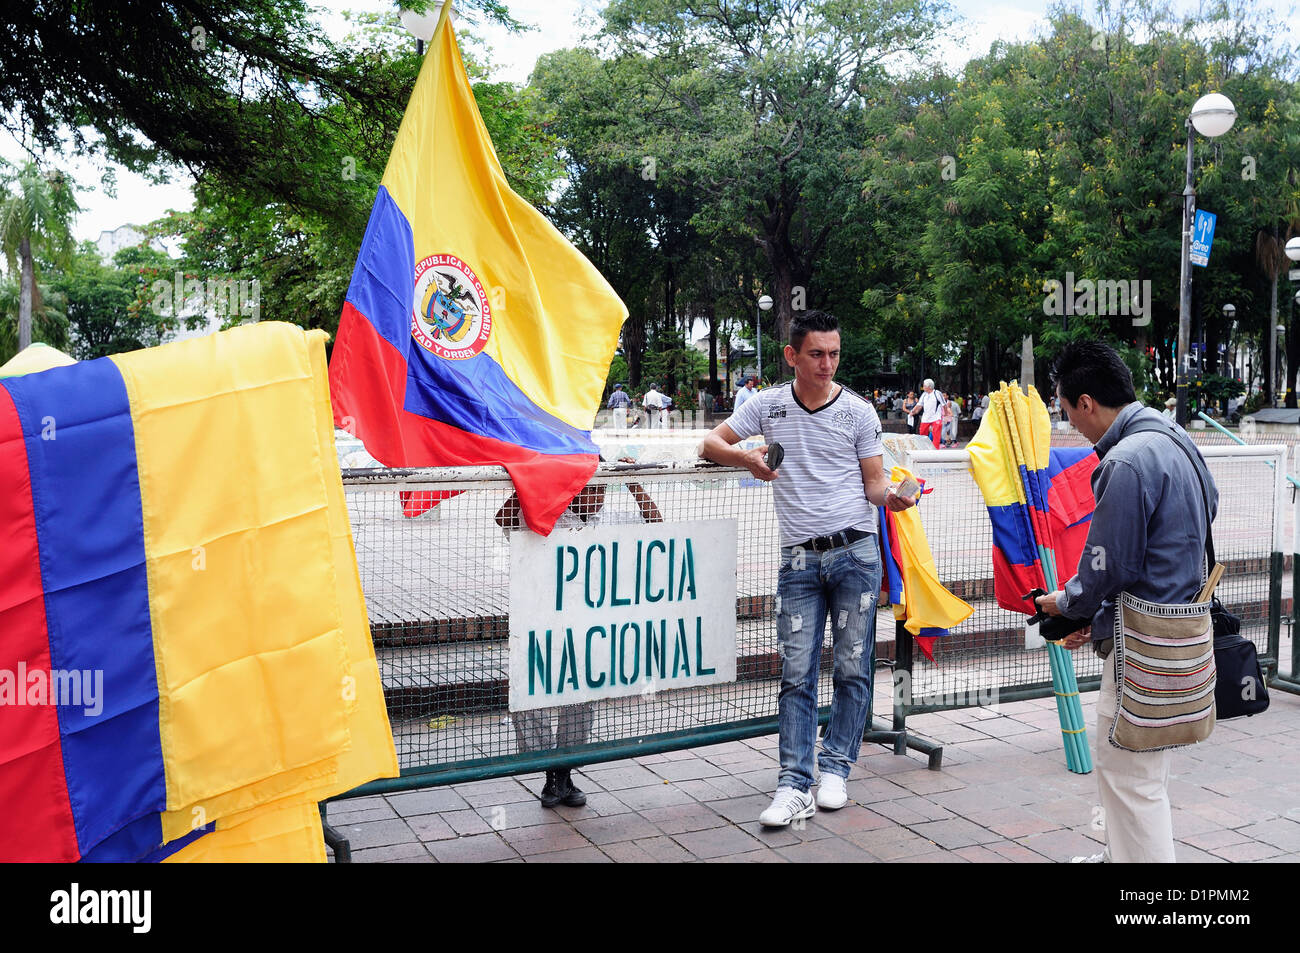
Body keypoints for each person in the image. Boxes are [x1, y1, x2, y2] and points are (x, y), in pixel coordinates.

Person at [699, 310, 917, 827]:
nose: (827, 364)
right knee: (796, 672)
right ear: (791, 355)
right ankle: (793, 783)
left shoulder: (860, 413)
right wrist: (748, 461)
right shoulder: (768, 406)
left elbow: (871, 486)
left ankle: (837, 766)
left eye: (834, 354)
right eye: (816, 354)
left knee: (851, 664)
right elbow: (709, 443)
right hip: (798, 559)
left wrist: (893, 499)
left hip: (855, 553)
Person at [1034, 341, 1218, 864]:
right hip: (1183, 627)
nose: (1072, 426)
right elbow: (1209, 509)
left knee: (1129, 775)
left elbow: (1106, 565)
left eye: (1068, 413)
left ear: (1087, 402)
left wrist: (1064, 603)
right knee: (1141, 767)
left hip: (1141, 639)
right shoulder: (1174, 435)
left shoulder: (1128, 460)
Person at [495, 459, 663, 808]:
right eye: (589, 484)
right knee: (532, 696)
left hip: (589, 627)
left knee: (580, 700)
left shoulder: (612, 518)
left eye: (601, 485)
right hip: (541, 621)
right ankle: (546, 769)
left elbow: (658, 526)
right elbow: (504, 518)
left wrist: (631, 480)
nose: (596, 492)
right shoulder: (545, 514)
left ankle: (564, 774)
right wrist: (544, 477)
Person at [916, 379, 944, 449]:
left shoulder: (937, 393)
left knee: (936, 435)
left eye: (924, 386)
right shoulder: (924, 394)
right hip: (926, 418)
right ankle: (923, 448)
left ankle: (935, 451)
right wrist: (913, 412)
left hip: (936, 417)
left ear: (929, 387)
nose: (923, 387)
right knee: (922, 434)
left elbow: (944, 405)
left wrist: (946, 414)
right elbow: (919, 405)